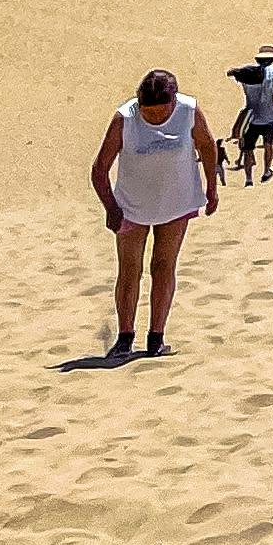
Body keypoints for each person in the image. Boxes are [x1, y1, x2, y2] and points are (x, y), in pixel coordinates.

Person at [90, 67, 222, 358]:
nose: (154, 118)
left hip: (177, 204)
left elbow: (208, 147)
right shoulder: (125, 118)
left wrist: (212, 188)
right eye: (148, 113)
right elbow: (99, 170)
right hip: (132, 209)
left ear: (173, 101)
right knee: (130, 271)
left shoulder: (188, 111)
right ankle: (125, 337)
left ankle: (156, 337)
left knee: (163, 267)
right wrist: (111, 207)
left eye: (160, 112)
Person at [228, 47, 273, 184]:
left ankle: (248, 179)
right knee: (268, 145)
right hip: (268, 117)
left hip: (251, 118)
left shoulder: (247, 75)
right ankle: (266, 171)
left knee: (248, 150)